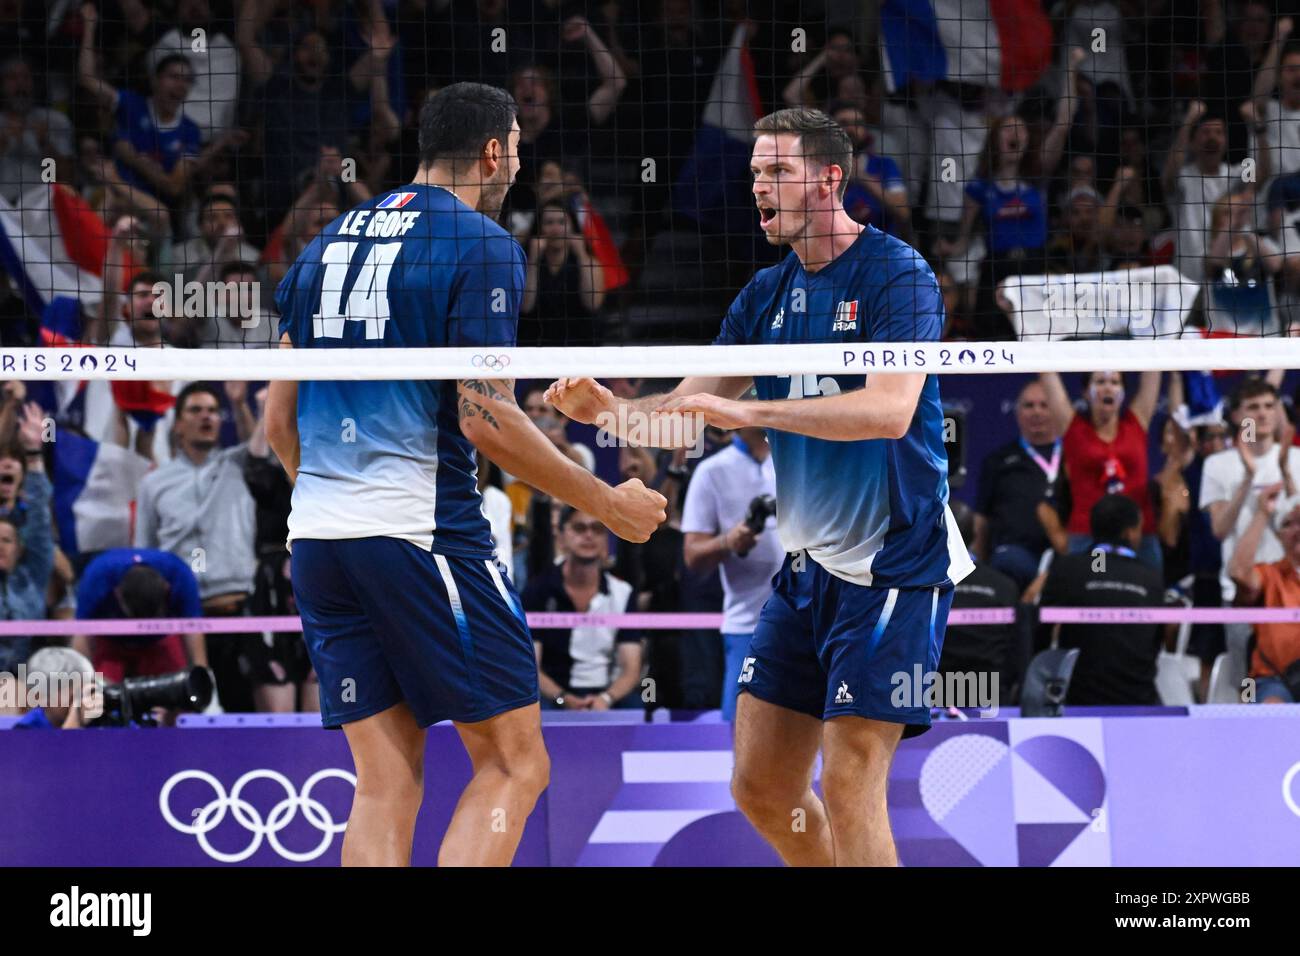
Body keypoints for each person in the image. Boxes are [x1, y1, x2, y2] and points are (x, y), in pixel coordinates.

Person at [547, 107, 972, 867]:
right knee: (762, 786)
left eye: (776, 171)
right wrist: (609, 413)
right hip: (807, 570)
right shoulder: (765, 296)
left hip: (895, 564)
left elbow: (888, 408)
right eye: (754, 174)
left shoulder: (895, 273)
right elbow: (682, 416)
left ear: (829, 179)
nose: (759, 187)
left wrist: (749, 408)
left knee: (850, 783)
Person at [265, 83, 665, 868]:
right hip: (422, 531)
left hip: (316, 537)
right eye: (515, 144)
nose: (518, 160)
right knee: (516, 763)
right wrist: (606, 500)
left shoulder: (324, 245)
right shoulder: (479, 244)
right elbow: (486, 418)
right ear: (493, 151)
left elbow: (277, 423)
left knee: (384, 781)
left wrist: (336, 505)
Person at [680, 426, 783, 721]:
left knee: (813, 729)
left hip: (812, 619)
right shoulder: (711, 471)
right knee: (743, 733)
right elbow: (693, 555)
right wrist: (728, 541)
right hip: (748, 624)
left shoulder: (799, 461)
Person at [1038, 495, 1170, 706]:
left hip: (1076, 700)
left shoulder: (1068, 568)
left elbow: (1040, 633)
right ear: (1130, 532)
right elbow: (1156, 643)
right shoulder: (1151, 577)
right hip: (1137, 700)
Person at [1040, 369, 1163, 572]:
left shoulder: (1137, 422)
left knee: (1145, 597)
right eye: (1100, 381)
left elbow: (1153, 371)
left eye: (1115, 382)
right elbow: (1047, 373)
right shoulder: (1073, 429)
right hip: (1089, 537)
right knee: (1096, 595)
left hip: (1140, 536)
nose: (1108, 387)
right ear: (1087, 392)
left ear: (1123, 391)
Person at [524, 507, 644, 710]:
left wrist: (606, 698)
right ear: (560, 537)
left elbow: (631, 668)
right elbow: (530, 666)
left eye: (597, 529)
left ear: (607, 540)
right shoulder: (537, 591)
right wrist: (562, 698)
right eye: (579, 528)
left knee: (639, 703)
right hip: (553, 693)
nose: (589, 535)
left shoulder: (623, 593)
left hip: (607, 693)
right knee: (528, 704)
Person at [974, 379, 1068, 591]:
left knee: (1088, 569)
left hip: (1066, 552)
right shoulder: (998, 460)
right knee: (1008, 564)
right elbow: (981, 520)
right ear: (1017, 412)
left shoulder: (1075, 457)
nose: (1037, 412)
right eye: (1029, 405)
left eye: (1044, 405)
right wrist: (979, 566)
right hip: (1015, 554)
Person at [73, 548, 206, 685]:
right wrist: (84, 682)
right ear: (117, 594)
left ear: (167, 589)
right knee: (98, 691)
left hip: (160, 642)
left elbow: (193, 631)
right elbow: (82, 634)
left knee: (178, 689)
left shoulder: (180, 575)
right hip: (111, 644)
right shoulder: (97, 576)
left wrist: (202, 681)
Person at [1229, 490, 1300, 702]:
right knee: (1272, 713)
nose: (1297, 530)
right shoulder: (1269, 574)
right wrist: (1262, 513)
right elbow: (1239, 572)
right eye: (1288, 524)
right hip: (1268, 681)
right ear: (1279, 536)